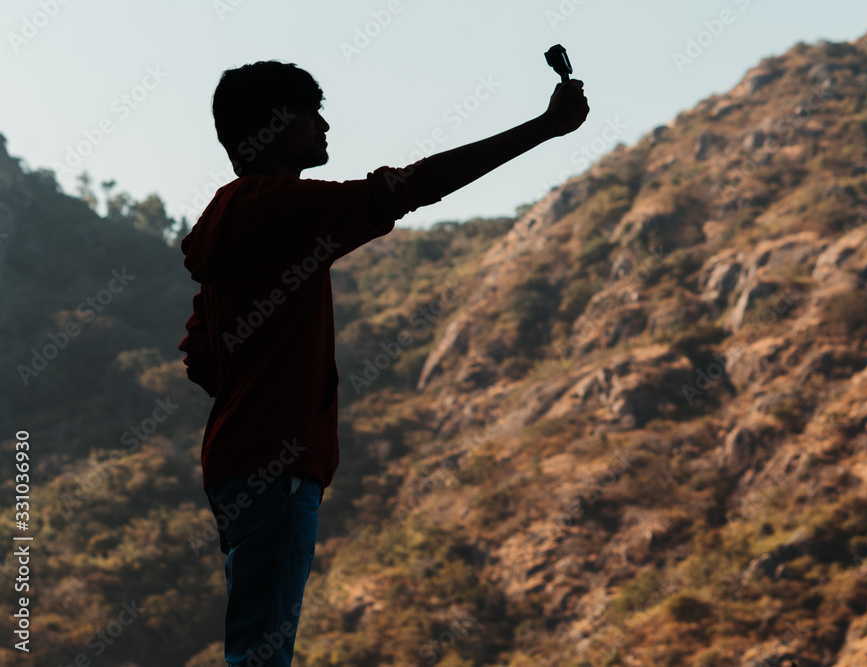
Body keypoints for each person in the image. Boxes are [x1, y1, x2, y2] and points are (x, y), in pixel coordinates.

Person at [177, 59, 588, 666]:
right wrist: (542, 128)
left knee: (255, 642)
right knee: (262, 654)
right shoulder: (278, 207)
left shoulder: (229, 222)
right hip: (277, 462)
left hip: (237, 458)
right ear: (271, 127)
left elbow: (200, 358)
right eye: (307, 112)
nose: (323, 124)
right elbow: (409, 188)